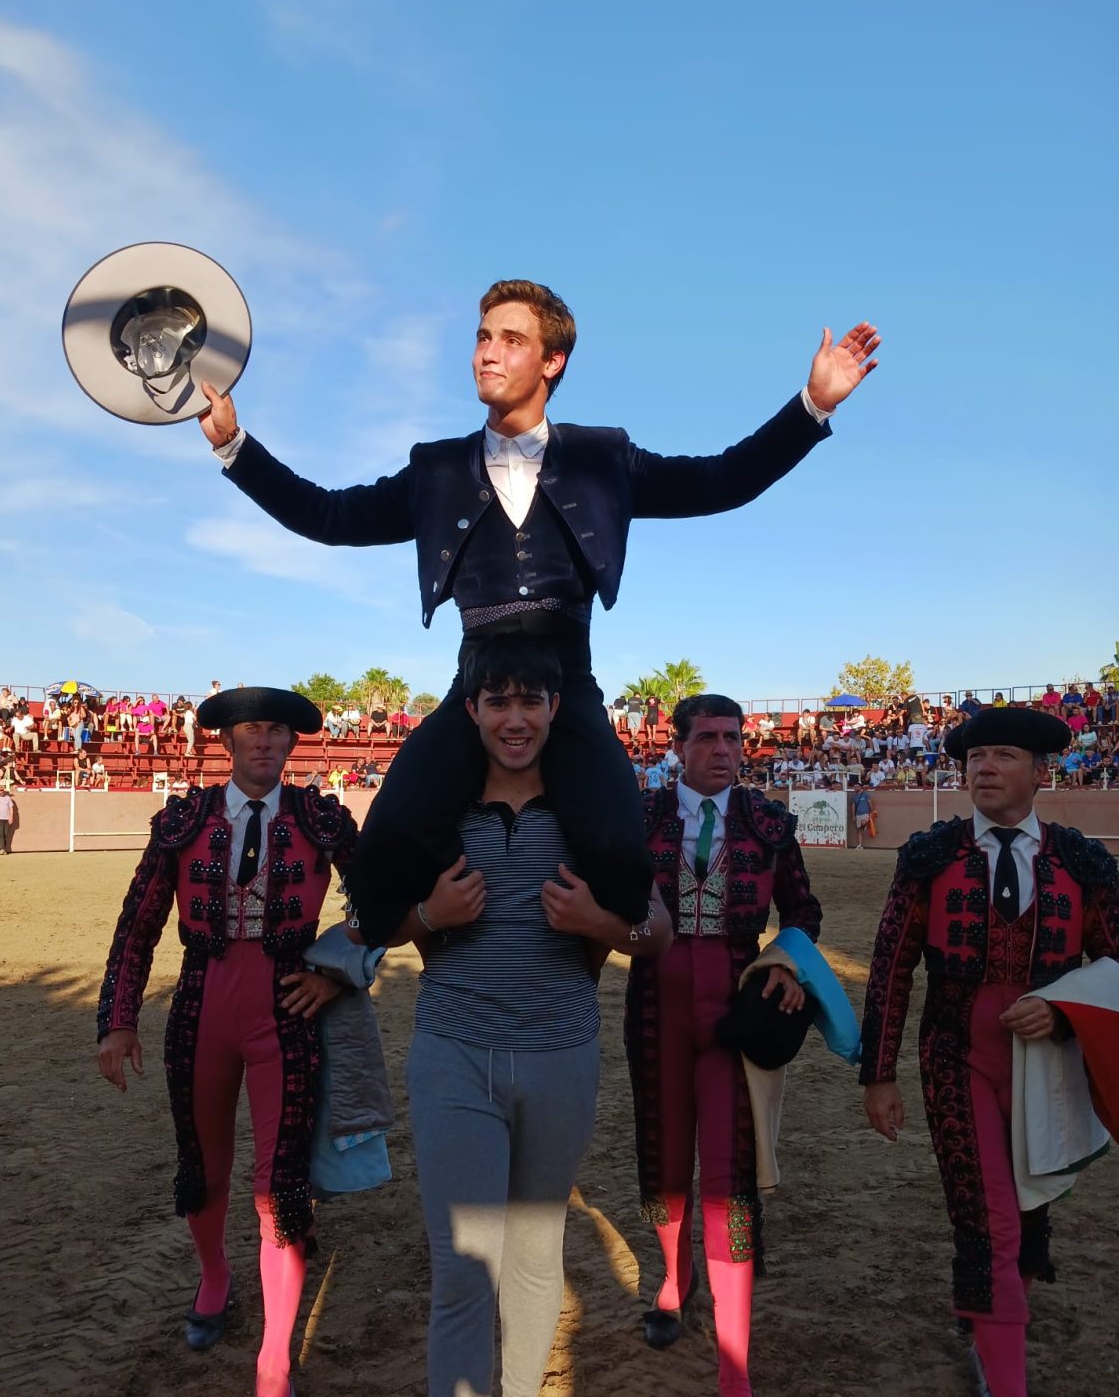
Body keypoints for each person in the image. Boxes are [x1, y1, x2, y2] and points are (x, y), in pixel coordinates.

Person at [199, 280, 879, 948]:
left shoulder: (603, 456)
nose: (487, 352)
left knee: (616, 846)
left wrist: (811, 407)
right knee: (388, 839)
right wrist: (235, 446)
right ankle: (401, 949)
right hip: (476, 682)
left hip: (567, 680)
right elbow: (327, 515)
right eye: (482, 337)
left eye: (511, 339)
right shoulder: (436, 468)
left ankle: (585, 959)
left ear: (552, 361)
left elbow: (720, 479)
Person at [398, 637, 671, 1397]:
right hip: (454, 1055)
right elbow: (380, 912)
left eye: (530, 701)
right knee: (462, 1268)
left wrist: (601, 923)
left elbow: (658, 932)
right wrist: (427, 914)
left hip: (559, 1056)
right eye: (497, 701)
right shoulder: (440, 805)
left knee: (533, 1251)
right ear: (471, 710)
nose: (514, 719)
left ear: (557, 708)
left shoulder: (590, 808)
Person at [95, 687, 374, 1397]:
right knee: (203, 1161)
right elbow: (138, 924)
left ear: (291, 743)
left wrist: (338, 973)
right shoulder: (183, 822)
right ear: (225, 740)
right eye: (251, 728)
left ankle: (275, 1360)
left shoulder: (321, 819)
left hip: (288, 1008)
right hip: (201, 1004)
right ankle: (215, 1277)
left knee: (279, 1181)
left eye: (278, 730)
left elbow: (381, 904)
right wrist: (117, 1019)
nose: (265, 741)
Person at [859, 707, 1119, 1397]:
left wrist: (1065, 1010)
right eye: (975, 756)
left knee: (1028, 1222)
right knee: (990, 1224)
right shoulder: (930, 855)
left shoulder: (1082, 861)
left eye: (1004, 755)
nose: (984, 768)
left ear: (1042, 772)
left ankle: (987, 1333)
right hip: (956, 1055)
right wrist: (879, 1074)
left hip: (1047, 1068)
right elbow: (892, 965)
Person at [624, 694, 824, 1397]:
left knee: (730, 1182)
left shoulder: (769, 823)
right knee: (664, 1161)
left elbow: (803, 913)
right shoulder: (637, 817)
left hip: (733, 1016)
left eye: (732, 738)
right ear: (676, 747)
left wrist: (786, 967)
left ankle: (735, 1373)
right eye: (706, 738)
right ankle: (673, 1280)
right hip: (655, 1008)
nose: (722, 750)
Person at [0, 787, 16, 855]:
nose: (0, 792)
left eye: (1, 790)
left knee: (6, 834)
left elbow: (11, 808)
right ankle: (2, 849)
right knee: (0, 834)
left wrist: (11, 817)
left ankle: (5, 849)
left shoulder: (8, 798)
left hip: (6, 818)